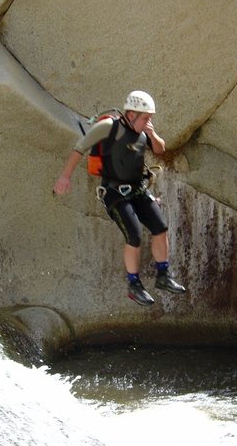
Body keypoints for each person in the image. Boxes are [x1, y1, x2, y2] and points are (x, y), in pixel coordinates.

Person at [53, 90, 187, 306]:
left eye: (150, 118)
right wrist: (64, 177)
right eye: (145, 118)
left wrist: (151, 134)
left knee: (160, 227)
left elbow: (160, 149)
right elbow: (80, 148)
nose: (148, 122)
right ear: (131, 114)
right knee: (133, 234)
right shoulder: (109, 127)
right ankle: (134, 285)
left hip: (137, 190)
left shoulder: (143, 132)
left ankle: (164, 275)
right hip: (114, 192)